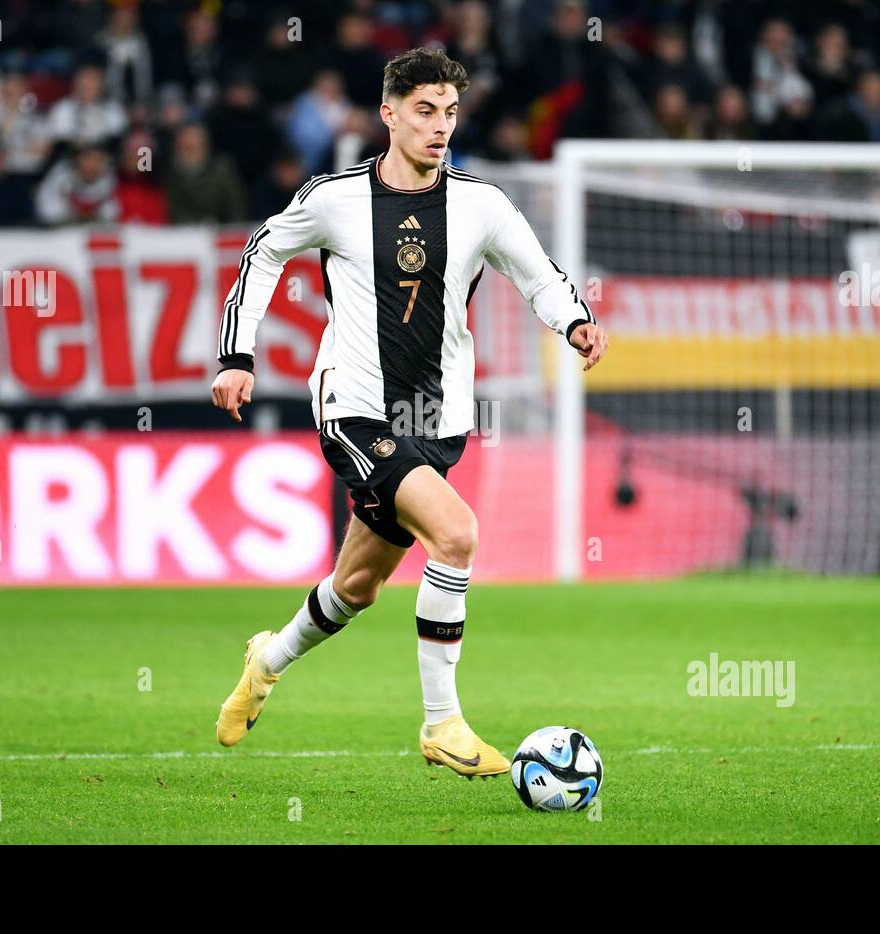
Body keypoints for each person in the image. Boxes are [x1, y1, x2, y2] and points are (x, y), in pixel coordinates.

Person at [209, 47, 608, 778]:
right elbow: (263, 251)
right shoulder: (335, 199)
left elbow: (535, 271)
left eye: (451, 112)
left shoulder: (481, 204)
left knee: (356, 587)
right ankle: (441, 722)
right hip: (354, 409)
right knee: (456, 535)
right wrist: (238, 355)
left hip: (437, 418)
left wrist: (574, 321)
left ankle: (266, 661)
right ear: (388, 114)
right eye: (425, 110)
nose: (440, 127)